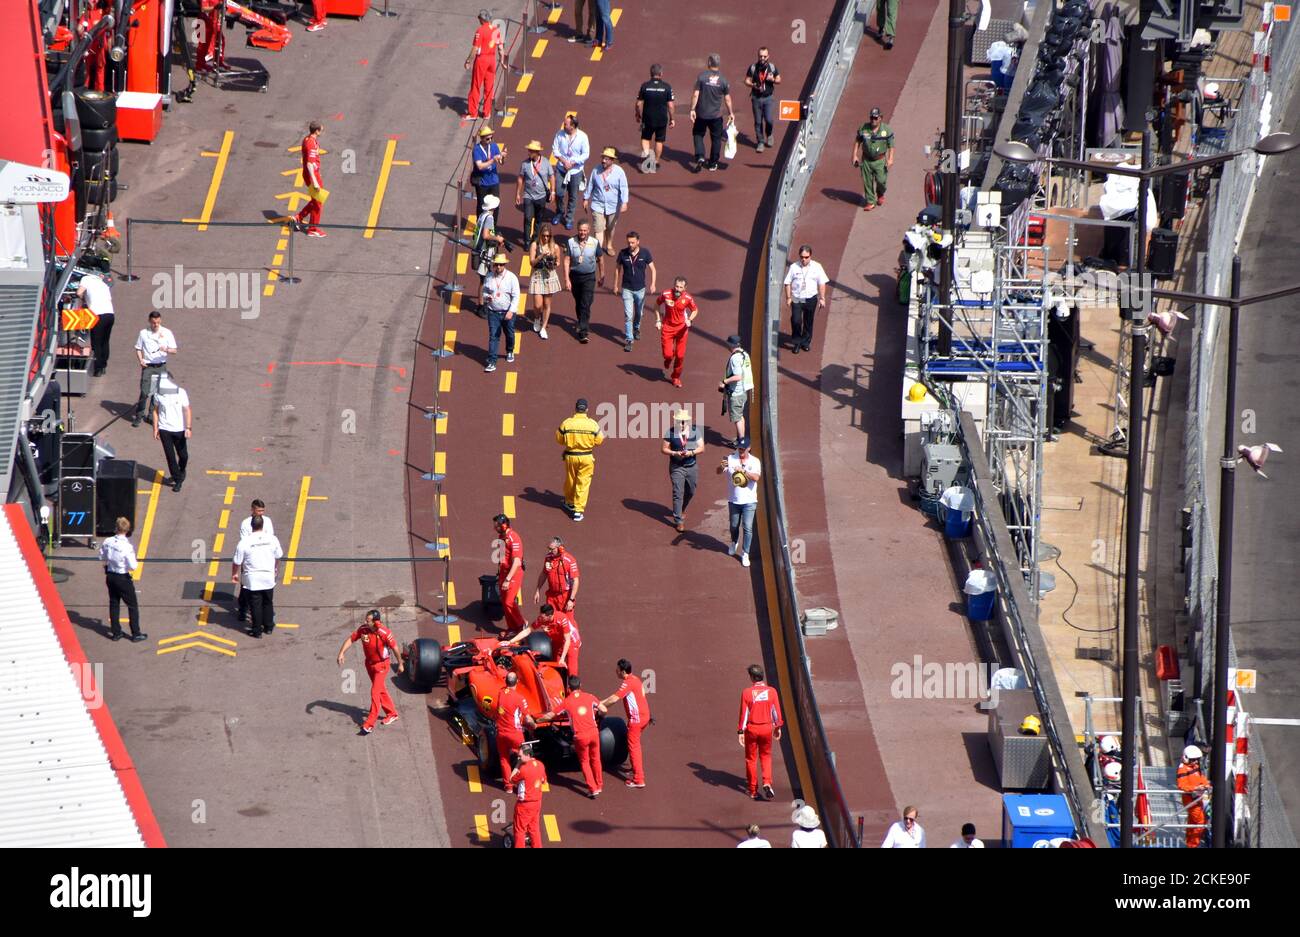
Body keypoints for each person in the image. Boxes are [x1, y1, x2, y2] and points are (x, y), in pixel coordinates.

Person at [536, 675, 606, 797]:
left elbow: (550, 716)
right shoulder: (590, 697)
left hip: (581, 736)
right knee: (596, 759)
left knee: (585, 762)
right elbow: (604, 709)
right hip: (594, 733)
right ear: (580, 685)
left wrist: (537, 721)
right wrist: (598, 715)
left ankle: (592, 788)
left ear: (568, 688)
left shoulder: (567, 702)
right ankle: (599, 785)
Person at [336, 610, 403, 735]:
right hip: (369, 664)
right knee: (380, 689)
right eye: (365, 620)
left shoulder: (384, 633)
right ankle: (392, 713)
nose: (365, 622)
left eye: (368, 620)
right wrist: (341, 652)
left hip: (382, 666)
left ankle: (369, 724)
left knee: (374, 692)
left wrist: (400, 663)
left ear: (375, 622)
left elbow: (395, 647)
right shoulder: (363, 630)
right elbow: (351, 639)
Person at [600, 659, 651, 787]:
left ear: (623, 672)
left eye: (617, 670)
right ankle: (636, 768)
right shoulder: (636, 679)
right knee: (634, 743)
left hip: (636, 720)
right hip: (645, 717)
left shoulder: (627, 683)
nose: (615, 672)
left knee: (633, 747)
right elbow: (642, 694)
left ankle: (639, 779)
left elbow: (614, 699)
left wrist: (599, 705)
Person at [231, 515, 283, 638]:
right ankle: (269, 626)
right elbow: (278, 555)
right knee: (268, 602)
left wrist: (234, 574)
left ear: (251, 526)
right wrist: (275, 569)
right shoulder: (272, 539)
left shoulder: (244, 542)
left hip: (252, 578)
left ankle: (257, 630)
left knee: (255, 605)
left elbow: (237, 562)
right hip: (268, 576)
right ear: (263, 525)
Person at [738, 664, 783, 800]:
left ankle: (752, 789)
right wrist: (778, 726)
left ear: (752, 677)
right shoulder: (772, 691)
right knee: (766, 756)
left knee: (751, 759)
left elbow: (744, 714)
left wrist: (740, 731)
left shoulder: (746, 693)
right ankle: (767, 782)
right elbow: (776, 712)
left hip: (752, 729)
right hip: (766, 728)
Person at [556, 397, 604, 521]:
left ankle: (569, 502)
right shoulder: (592, 424)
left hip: (570, 456)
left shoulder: (567, 423)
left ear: (576, 408)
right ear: (587, 409)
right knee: (583, 483)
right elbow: (599, 440)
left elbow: (559, 439)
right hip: (586, 457)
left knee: (570, 479)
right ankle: (578, 511)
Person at [99, 517, 146, 642]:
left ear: (116, 527)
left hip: (110, 575)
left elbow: (101, 556)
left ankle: (116, 632)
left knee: (114, 604)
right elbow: (133, 566)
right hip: (122, 577)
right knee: (132, 606)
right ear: (127, 530)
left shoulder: (108, 541)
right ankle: (136, 633)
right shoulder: (127, 546)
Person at [718, 438, 761, 567]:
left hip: (750, 501)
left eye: (743, 448)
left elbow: (756, 477)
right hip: (734, 500)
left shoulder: (755, 461)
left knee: (747, 528)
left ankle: (745, 553)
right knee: (734, 526)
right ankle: (734, 542)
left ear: (749, 448)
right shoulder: (730, 458)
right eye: (739, 448)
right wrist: (721, 467)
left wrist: (744, 472)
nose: (741, 450)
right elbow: (718, 471)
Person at [689, 54, 735, 172]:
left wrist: (692, 109)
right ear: (718, 64)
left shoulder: (702, 77)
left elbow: (695, 94)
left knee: (698, 134)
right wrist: (731, 113)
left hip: (702, 115)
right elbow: (727, 99)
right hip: (716, 116)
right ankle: (713, 163)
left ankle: (700, 156)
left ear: (709, 62)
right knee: (716, 139)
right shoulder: (723, 80)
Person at [508, 604, 581, 677]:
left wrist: (562, 658)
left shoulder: (562, 619)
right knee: (557, 666)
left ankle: (573, 686)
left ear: (549, 616)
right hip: (558, 640)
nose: (540, 618)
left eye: (542, 617)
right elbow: (528, 631)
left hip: (571, 641)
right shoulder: (541, 619)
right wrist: (510, 641)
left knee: (572, 669)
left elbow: (567, 640)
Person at [131, 311, 177, 427]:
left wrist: (165, 349)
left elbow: (174, 350)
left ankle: (151, 415)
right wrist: (141, 360)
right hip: (148, 366)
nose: (155, 325)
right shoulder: (143, 333)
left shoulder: (167, 333)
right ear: (149, 321)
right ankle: (139, 415)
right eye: (153, 322)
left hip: (161, 366)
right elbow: (138, 348)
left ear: (160, 320)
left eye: (157, 322)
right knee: (145, 392)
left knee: (156, 393)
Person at [782, 245, 830, 354]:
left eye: (806, 257)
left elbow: (822, 283)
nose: (804, 259)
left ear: (810, 256)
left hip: (811, 298)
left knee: (808, 322)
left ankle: (805, 342)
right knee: (796, 320)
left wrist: (822, 298)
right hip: (797, 297)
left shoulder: (817, 267)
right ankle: (797, 342)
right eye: (802, 257)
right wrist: (788, 297)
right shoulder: (794, 267)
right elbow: (787, 282)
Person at [613, 231, 656, 351]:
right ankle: (629, 340)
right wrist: (615, 285)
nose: (630, 245)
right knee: (628, 315)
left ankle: (636, 328)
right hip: (627, 289)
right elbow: (617, 269)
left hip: (640, 290)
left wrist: (653, 284)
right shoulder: (623, 253)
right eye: (628, 242)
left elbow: (653, 269)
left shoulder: (645, 253)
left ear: (638, 242)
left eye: (632, 242)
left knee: (639, 313)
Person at [662, 408, 703, 532]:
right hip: (677, 467)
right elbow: (664, 449)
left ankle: (682, 508)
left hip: (691, 466)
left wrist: (691, 452)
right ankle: (679, 520)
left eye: (684, 421)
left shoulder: (695, 431)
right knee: (677, 493)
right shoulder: (670, 432)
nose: (682, 424)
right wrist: (674, 453)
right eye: (679, 421)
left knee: (691, 491)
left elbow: (701, 447)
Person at [584, 147, 629, 258]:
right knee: (598, 228)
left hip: (613, 206)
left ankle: (609, 245)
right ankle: (597, 250)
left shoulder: (619, 172)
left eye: (607, 159)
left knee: (610, 227)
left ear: (612, 160)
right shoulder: (596, 170)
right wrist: (585, 198)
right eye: (603, 158)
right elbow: (590, 185)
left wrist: (624, 202)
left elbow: (624, 187)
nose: (603, 161)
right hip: (597, 204)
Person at [655, 276, 698, 388]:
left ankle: (676, 377)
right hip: (667, 328)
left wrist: (689, 320)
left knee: (680, 356)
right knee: (668, 354)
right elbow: (656, 305)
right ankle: (668, 359)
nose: (678, 289)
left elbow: (695, 310)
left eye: (681, 287)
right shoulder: (666, 294)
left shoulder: (687, 298)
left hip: (681, 329)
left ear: (685, 288)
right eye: (676, 286)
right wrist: (658, 320)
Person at [562, 221, 601, 344]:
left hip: (589, 277)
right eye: (580, 230)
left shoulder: (594, 242)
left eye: (585, 230)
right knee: (579, 302)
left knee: (585, 303)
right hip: (575, 276)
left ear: (588, 230)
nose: (582, 233)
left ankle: (583, 332)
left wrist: (603, 274)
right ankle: (581, 320)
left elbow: (600, 259)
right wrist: (567, 279)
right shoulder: (571, 242)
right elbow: (567, 260)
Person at [151, 374, 191, 493]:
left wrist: (188, 428)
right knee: (170, 456)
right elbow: (156, 411)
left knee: (183, 455)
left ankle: (181, 469)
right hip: (165, 429)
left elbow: (187, 409)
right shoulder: (158, 394)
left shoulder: (181, 392)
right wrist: (155, 428)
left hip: (179, 429)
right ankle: (178, 479)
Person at [237, 500, 275, 623]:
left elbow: (270, 537)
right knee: (245, 586)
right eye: (259, 510)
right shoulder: (245, 523)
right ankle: (243, 609)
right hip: (250, 558)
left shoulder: (267, 521)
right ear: (252, 509)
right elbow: (245, 542)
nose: (261, 513)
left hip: (264, 557)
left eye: (262, 511)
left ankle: (263, 615)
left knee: (263, 590)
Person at [494, 671, 535, 785]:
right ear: (517, 681)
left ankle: (508, 786)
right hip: (515, 734)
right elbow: (527, 718)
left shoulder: (501, 693)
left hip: (501, 733)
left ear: (505, 681)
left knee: (504, 759)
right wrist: (534, 725)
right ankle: (524, 782)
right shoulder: (520, 698)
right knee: (525, 758)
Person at [480, 252, 519, 373]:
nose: (499, 267)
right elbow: (485, 292)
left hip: (507, 312)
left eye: (501, 265)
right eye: (497, 265)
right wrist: (487, 298)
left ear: (504, 265)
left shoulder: (511, 277)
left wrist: (511, 311)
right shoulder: (489, 277)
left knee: (510, 334)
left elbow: (516, 296)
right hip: (493, 312)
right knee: (493, 336)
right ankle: (492, 361)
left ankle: (510, 350)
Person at [551, 114, 590, 230]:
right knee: (559, 193)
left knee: (573, 196)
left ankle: (569, 218)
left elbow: (586, 154)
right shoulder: (560, 134)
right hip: (561, 168)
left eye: (566, 124)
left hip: (575, 171)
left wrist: (572, 162)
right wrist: (564, 161)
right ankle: (559, 211)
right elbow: (555, 150)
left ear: (572, 126)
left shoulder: (583, 137)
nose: (563, 125)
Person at [852, 107, 894, 212]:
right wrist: (854, 155)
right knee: (867, 181)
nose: (873, 120)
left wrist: (890, 159)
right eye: (871, 118)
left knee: (881, 180)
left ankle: (880, 193)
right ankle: (871, 202)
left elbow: (891, 146)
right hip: (866, 160)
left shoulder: (886, 130)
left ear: (880, 118)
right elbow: (857, 141)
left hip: (879, 160)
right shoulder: (863, 128)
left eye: (875, 118)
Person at [635, 64, 675, 172]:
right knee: (659, 140)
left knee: (645, 138)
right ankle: (656, 161)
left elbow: (638, 104)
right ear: (661, 74)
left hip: (647, 118)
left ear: (651, 73)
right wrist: (672, 119)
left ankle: (648, 155)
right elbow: (670, 105)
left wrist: (638, 114)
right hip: (662, 119)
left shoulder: (645, 86)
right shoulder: (667, 87)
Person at [464, 10, 503, 120]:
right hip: (492, 59)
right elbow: (500, 48)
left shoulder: (480, 31)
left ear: (482, 19)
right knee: (489, 86)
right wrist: (502, 61)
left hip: (482, 59)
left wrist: (468, 61)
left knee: (476, 86)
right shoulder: (496, 30)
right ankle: (487, 113)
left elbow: (475, 48)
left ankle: (473, 113)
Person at [515, 140, 554, 247]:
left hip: (541, 196)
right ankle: (527, 240)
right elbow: (520, 178)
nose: (529, 152)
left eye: (531, 151)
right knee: (527, 218)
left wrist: (553, 191)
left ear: (537, 152)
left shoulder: (546, 162)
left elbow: (551, 176)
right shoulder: (525, 164)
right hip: (528, 195)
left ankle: (535, 238)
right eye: (529, 150)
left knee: (538, 219)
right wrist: (518, 193)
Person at [508, 745, 548, 848]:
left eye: (520, 756)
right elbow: (543, 780)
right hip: (537, 803)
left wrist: (517, 765)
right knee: (534, 828)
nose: (519, 758)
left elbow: (511, 779)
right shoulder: (541, 765)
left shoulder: (524, 769)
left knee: (520, 830)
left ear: (528, 755)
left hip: (524, 805)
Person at [744, 47, 781, 152]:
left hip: (768, 98)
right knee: (758, 122)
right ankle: (760, 142)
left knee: (769, 120)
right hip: (756, 99)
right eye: (760, 56)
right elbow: (746, 80)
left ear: (768, 56)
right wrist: (753, 85)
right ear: (758, 56)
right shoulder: (753, 68)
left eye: (764, 56)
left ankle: (769, 134)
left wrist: (772, 79)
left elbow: (779, 79)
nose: (762, 58)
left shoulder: (772, 68)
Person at [472, 194, 508, 304]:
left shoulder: (483, 215)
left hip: (480, 249)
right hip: (485, 252)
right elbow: (485, 235)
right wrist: (497, 238)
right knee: (484, 280)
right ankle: (481, 305)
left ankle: (482, 303)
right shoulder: (490, 217)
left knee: (484, 279)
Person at [494, 513, 526, 634]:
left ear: (504, 526)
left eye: (496, 526)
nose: (494, 528)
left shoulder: (513, 538)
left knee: (509, 601)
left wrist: (508, 579)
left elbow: (517, 561)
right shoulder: (501, 537)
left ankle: (522, 625)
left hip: (513, 574)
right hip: (503, 572)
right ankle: (512, 628)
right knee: (504, 601)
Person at [77, 273, 114, 377]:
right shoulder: (103, 284)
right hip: (110, 314)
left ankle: (97, 368)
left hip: (97, 315)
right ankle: (103, 365)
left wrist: (84, 301)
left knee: (96, 343)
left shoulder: (85, 279)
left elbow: (79, 293)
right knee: (105, 341)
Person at [719, 335, 753, 445]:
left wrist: (725, 381)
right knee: (740, 416)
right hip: (743, 391)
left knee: (737, 419)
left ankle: (741, 442)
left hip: (736, 393)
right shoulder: (745, 354)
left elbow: (738, 376)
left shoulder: (735, 358)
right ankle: (740, 438)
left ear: (731, 345)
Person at [529, 224, 562, 338]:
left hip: (549, 275)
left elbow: (558, 261)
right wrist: (541, 256)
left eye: (548, 236)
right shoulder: (535, 245)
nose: (546, 238)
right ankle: (537, 318)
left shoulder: (555, 247)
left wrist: (553, 263)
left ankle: (544, 327)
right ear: (540, 235)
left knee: (547, 304)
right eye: (543, 236)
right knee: (538, 305)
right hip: (538, 274)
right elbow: (532, 262)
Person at [295, 120, 327, 237]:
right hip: (312, 174)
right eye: (321, 130)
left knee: (316, 200)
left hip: (312, 173)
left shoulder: (307, 139)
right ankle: (313, 229)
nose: (322, 132)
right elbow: (309, 163)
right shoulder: (311, 144)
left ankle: (299, 218)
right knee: (318, 202)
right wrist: (315, 182)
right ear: (317, 131)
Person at [533, 536, 580, 614]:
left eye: (552, 549)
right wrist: (537, 590)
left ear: (560, 548)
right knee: (550, 621)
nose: (549, 551)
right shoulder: (548, 558)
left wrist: (571, 600)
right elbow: (544, 574)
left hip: (565, 597)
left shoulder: (569, 560)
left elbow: (575, 580)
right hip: (551, 596)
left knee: (567, 623)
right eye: (549, 548)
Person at [1176, 745, 1210, 848]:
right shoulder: (1183, 769)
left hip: (1196, 798)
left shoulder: (1195, 767)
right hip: (1190, 799)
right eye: (1193, 760)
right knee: (1200, 822)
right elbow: (1182, 785)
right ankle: (1193, 845)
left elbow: (1201, 778)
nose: (1195, 762)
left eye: (1196, 760)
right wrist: (1195, 788)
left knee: (1192, 822)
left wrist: (1206, 784)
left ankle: (1190, 843)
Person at [471, 125, 506, 219]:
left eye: (491, 138)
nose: (490, 140)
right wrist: (493, 160)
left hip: (494, 181)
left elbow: (501, 162)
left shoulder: (494, 146)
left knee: (496, 205)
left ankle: (493, 227)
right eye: (487, 138)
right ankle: (480, 227)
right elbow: (480, 166)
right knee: (482, 206)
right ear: (481, 138)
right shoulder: (477, 150)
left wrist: (502, 157)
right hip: (482, 183)